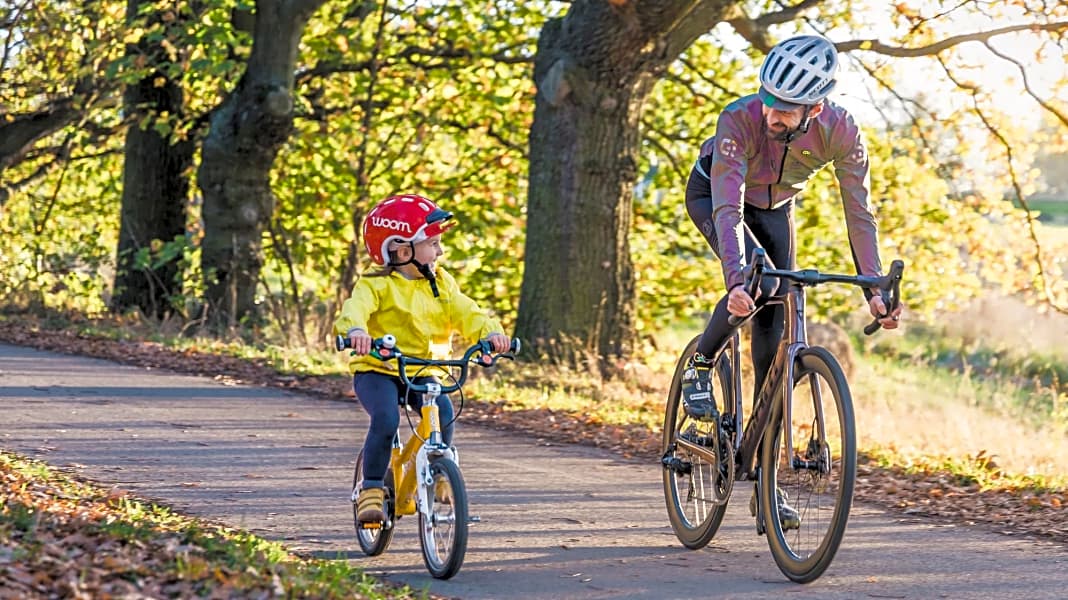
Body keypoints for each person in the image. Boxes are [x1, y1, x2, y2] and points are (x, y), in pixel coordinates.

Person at [682, 35, 901, 527]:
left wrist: (874, 288)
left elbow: (859, 212)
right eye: (769, 101)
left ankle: (765, 484)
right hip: (715, 195)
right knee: (757, 285)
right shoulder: (740, 118)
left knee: (776, 351)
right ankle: (700, 365)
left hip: (778, 208)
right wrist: (737, 279)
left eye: (785, 110)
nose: (772, 115)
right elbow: (728, 207)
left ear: (815, 108)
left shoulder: (842, 131)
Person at [334, 193, 511, 523]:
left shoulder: (441, 282)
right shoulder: (376, 282)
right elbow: (354, 310)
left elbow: (467, 312)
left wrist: (490, 334)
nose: (440, 251)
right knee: (386, 420)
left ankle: (439, 472)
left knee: (443, 414)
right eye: (433, 243)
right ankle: (371, 488)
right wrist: (356, 331)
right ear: (402, 250)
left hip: (425, 369)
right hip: (378, 368)